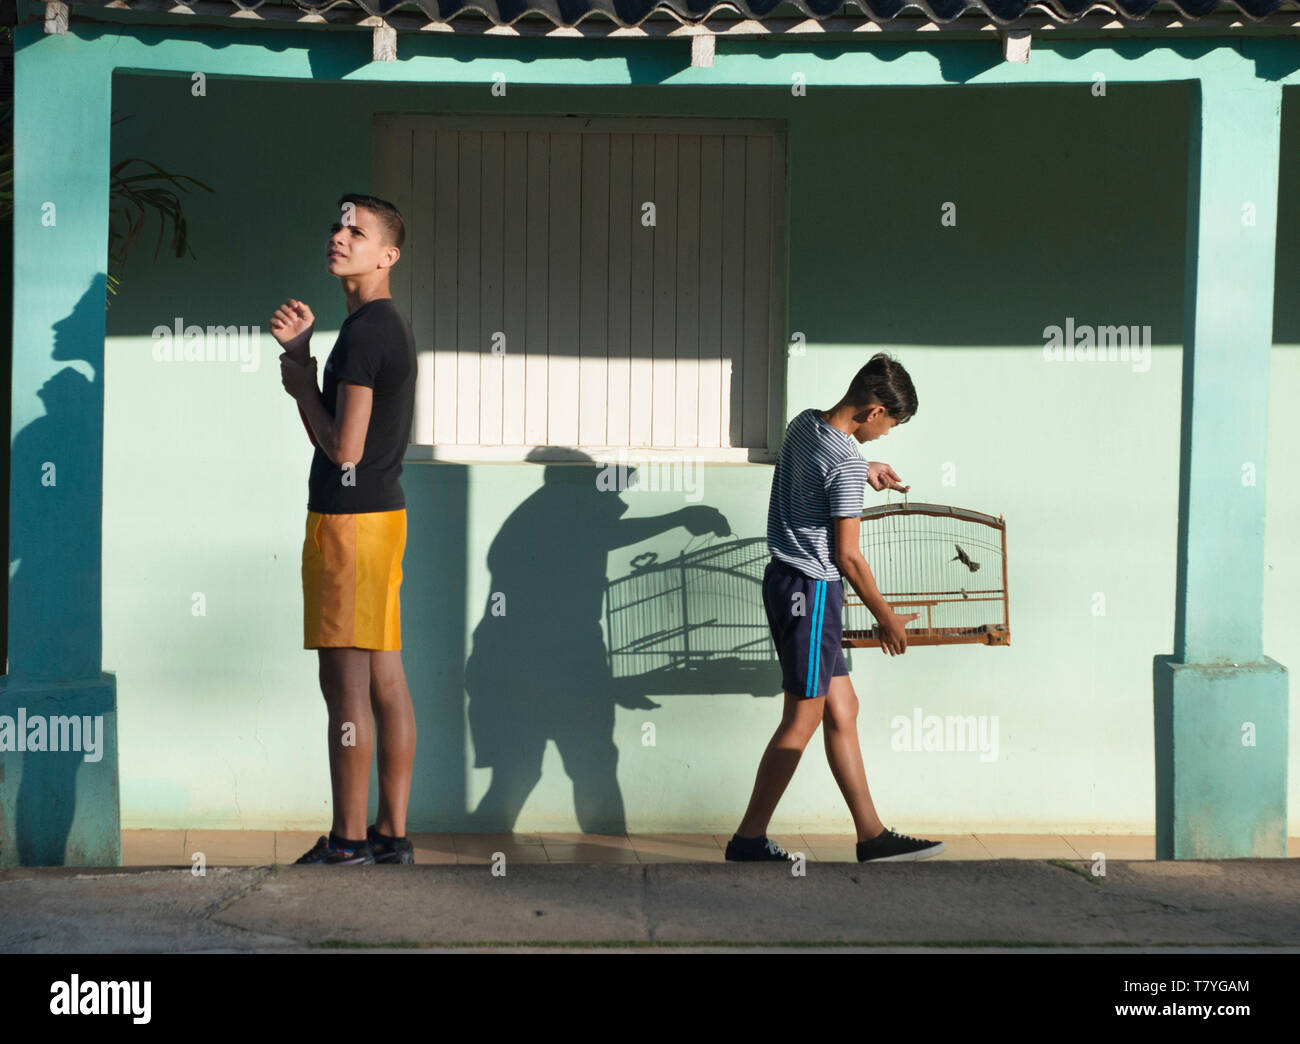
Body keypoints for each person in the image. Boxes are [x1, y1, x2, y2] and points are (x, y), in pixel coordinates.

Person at [726, 352, 946, 863]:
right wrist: (887, 618)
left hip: (783, 579)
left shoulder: (804, 424)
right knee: (800, 720)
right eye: (891, 424)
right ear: (873, 411)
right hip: (815, 591)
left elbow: (818, 466)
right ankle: (748, 840)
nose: (888, 434)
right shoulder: (845, 464)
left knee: (843, 708)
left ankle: (872, 836)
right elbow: (848, 555)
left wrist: (861, 466)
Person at [271, 193, 418, 866]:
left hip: (350, 527)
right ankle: (390, 835)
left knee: (348, 691)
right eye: (336, 225)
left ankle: (349, 842)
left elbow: (344, 449)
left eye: (356, 231)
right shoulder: (374, 327)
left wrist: (301, 378)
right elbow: (340, 441)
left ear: (387, 256)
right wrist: (303, 364)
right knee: (384, 678)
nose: (339, 235)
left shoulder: (366, 333)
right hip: (379, 518)